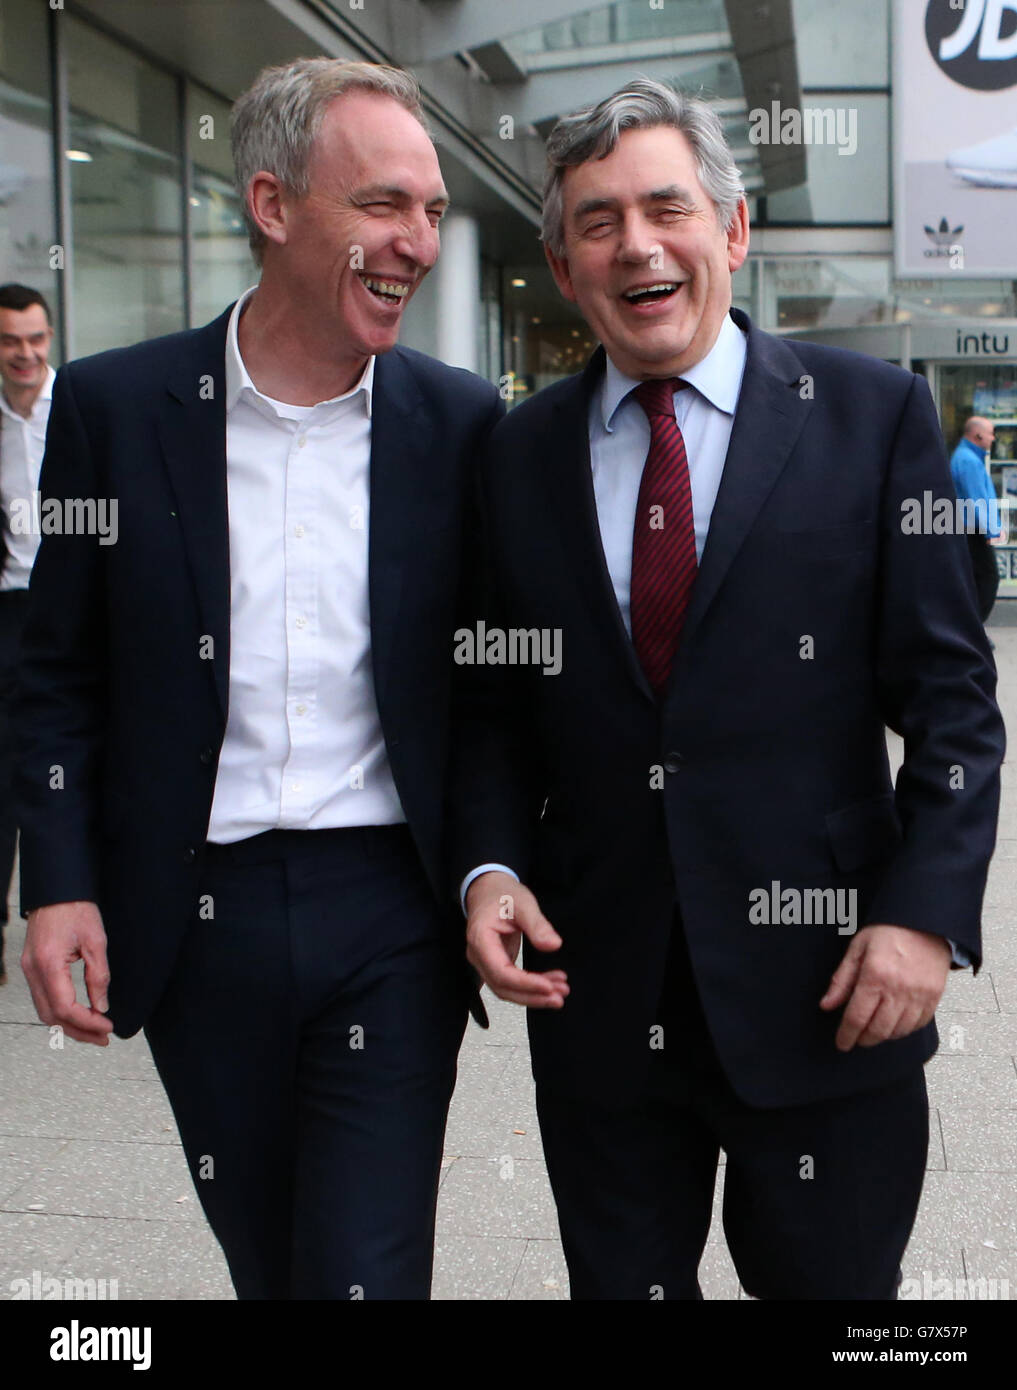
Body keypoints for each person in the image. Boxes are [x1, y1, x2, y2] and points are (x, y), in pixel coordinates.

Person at [453, 79, 1004, 1301]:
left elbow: (955, 701)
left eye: (667, 207)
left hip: (830, 990)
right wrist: (488, 867)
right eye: (598, 222)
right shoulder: (517, 454)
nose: (637, 244)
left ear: (733, 230)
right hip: (599, 999)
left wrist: (924, 914)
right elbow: (495, 705)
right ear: (560, 263)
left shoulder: (874, 418)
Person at [16, 58, 501, 1300]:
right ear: (275, 205)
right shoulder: (114, 411)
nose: (420, 242)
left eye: (435, 211)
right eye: (386, 205)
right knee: (270, 1265)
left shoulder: (459, 427)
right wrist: (59, 882)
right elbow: (57, 667)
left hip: (391, 913)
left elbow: (497, 685)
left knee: (365, 1273)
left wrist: (494, 867)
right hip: (197, 912)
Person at [0, 283, 55, 986]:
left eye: (36, 339)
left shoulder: (76, 409)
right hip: (9, 609)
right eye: (11, 341)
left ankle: (67, 899)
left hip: (70, 608)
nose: (25, 354)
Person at [949, 415, 1000, 622]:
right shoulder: (969, 461)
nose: (993, 439)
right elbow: (977, 499)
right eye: (991, 433)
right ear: (978, 435)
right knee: (988, 578)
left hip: (969, 528)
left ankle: (970, 629)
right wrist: (991, 531)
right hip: (973, 530)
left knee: (975, 579)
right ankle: (974, 629)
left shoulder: (967, 457)